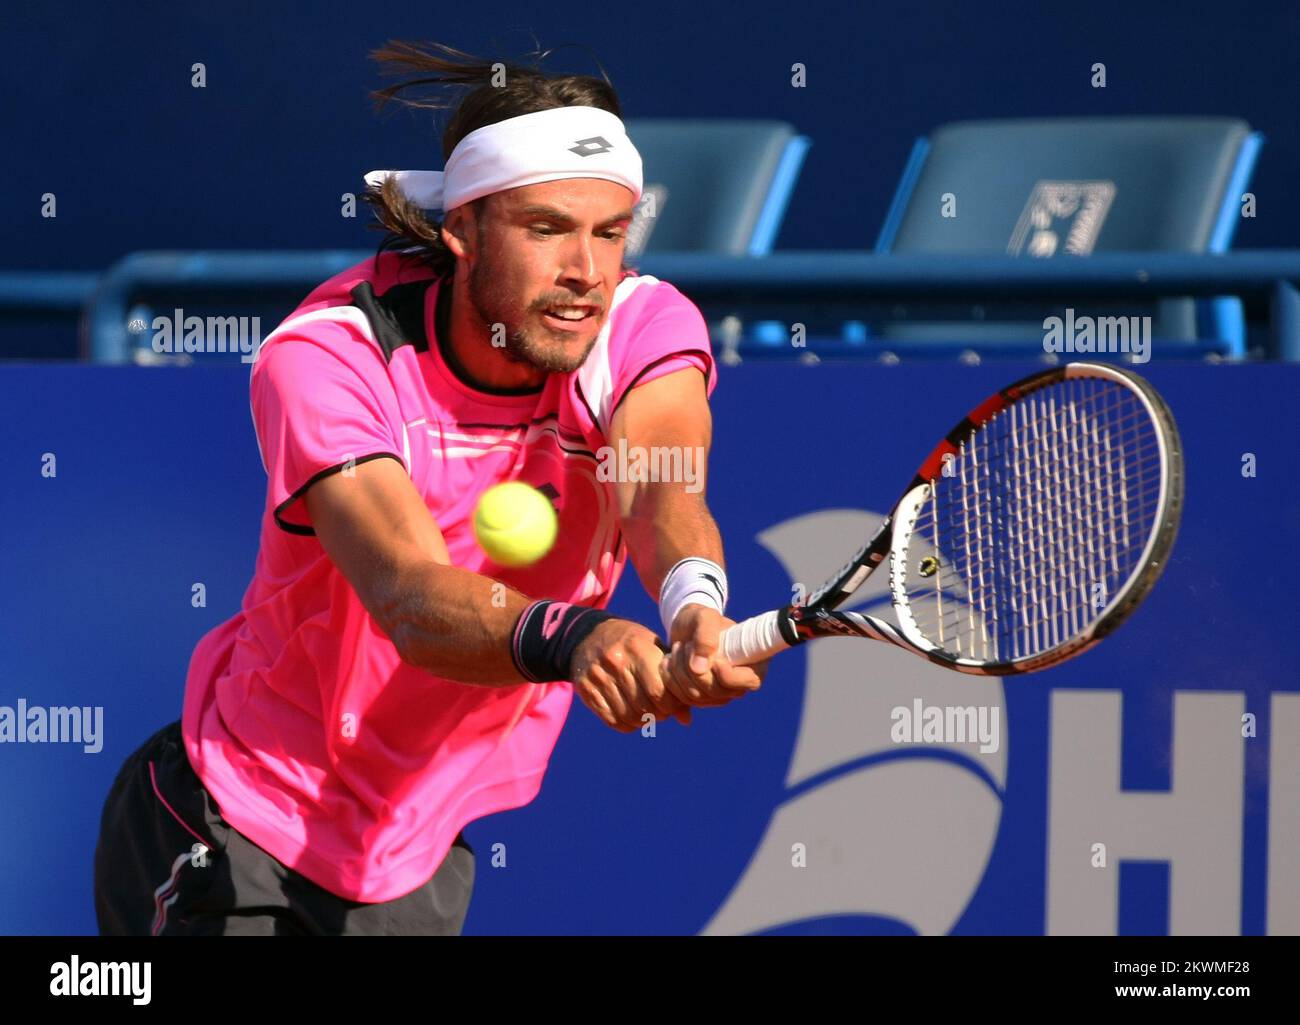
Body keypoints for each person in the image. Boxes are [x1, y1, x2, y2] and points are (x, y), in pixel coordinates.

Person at [93, 38, 768, 936]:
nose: (588, 273)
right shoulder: (333, 355)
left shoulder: (641, 326)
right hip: (236, 825)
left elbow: (663, 494)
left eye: (611, 233)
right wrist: (574, 636)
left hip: (416, 857)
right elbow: (409, 597)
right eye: (546, 229)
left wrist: (693, 601)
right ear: (462, 227)